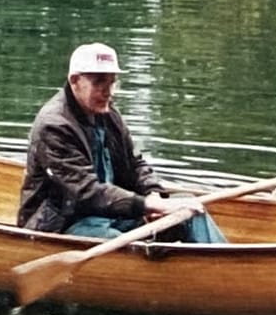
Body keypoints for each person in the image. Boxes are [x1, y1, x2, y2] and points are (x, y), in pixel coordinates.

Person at [17, 42, 227, 242]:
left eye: (112, 81)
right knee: (123, 245)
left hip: (112, 212)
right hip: (65, 221)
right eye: (99, 82)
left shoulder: (108, 113)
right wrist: (146, 205)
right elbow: (88, 192)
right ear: (74, 81)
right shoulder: (54, 126)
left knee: (187, 206)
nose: (108, 92)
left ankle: (224, 264)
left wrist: (154, 196)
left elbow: (135, 165)